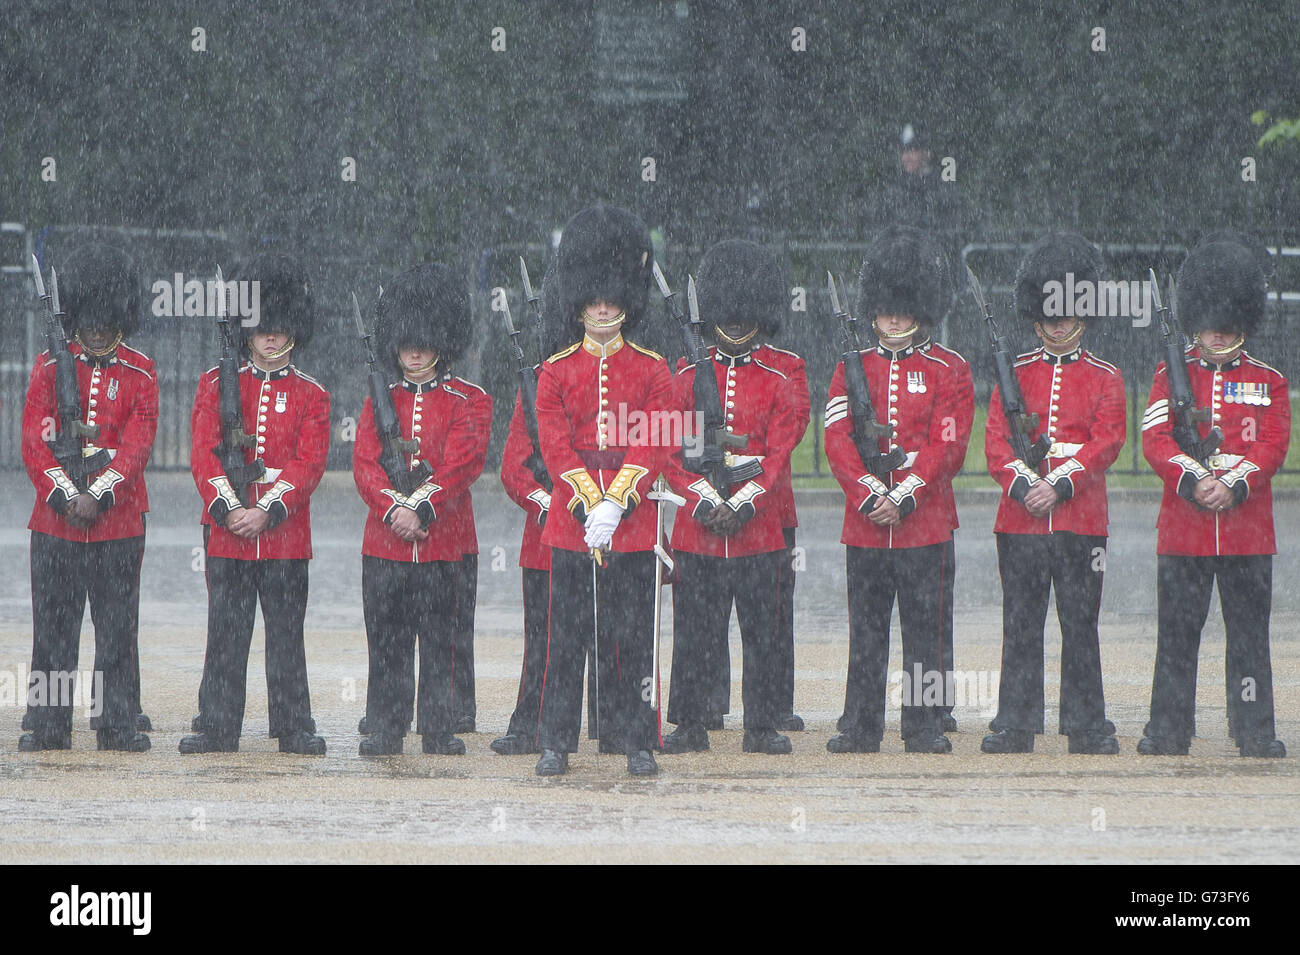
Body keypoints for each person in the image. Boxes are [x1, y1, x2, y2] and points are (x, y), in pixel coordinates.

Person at [533, 204, 673, 777]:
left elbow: (655, 444)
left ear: (626, 301)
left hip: (633, 524)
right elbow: (556, 447)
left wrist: (618, 501)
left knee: (632, 641)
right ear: (580, 302)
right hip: (571, 522)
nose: (602, 308)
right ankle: (555, 741)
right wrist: (591, 501)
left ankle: (637, 739)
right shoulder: (555, 371)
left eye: (611, 299)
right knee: (564, 641)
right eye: (593, 300)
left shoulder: (654, 370)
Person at [824, 226, 973, 754]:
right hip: (866, 521)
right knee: (865, 633)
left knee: (924, 632)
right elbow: (837, 439)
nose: (893, 317)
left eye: (903, 309)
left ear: (920, 311)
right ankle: (861, 725)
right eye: (887, 308)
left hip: (924, 523)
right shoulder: (851, 367)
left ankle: (924, 724)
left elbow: (947, 446)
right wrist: (869, 492)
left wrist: (906, 493)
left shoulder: (950, 370)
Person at [1138, 237, 1289, 758]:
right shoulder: (1169, 375)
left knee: (1249, 639)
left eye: (1225, 322)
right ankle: (1168, 729)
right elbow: (1154, 438)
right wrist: (1193, 479)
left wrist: (1234, 483)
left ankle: (1254, 730)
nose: (1218, 331)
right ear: (1195, 322)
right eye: (1209, 323)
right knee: (1177, 637)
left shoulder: (1268, 381)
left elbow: (1272, 445)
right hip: (1186, 527)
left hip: (1246, 530)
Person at [659, 239, 804, 756]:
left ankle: (761, 724)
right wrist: (703, 499)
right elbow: (672, 452)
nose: (738, 324)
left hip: (757, 525)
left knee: (761, 631)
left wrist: (742, 502)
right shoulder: (684, 375)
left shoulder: (785, 372)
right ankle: (691, 722)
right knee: (695, 631)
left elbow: (781, 448)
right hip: (699, 527)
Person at [180, 252, 330, 755]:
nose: (269, 336)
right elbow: (203, 453)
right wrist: (229, 509)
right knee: (225, 632)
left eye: (279, 328)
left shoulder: (313, 394)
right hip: (227, 531)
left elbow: (308, 464)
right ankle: (218, 724)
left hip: (284, 534)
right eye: (262, 328)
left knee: (286, 636)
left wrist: (267, 509)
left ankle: (293, 724)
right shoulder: (214, 383)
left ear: (293, 332)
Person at [981, 233, 1124, 755]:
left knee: (1079, 624)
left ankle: (1086, 725)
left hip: (1080, 519)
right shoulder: (1012, 373)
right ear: (1036, 317)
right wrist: (1025, 484)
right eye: (1050, 316)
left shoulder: (1106, 377)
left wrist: (1059, 483)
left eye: (1066, 315)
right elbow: (995, 441)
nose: (1058, 325)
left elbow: (1107, 441)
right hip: (1019, 520)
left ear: (1082, 315)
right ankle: (1016, 723)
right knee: (1020, 623)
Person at [19, 242, 156, 753]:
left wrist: (98, 494)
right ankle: (49, 723)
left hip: (117, 523)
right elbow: (34, 441)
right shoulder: (49, 367)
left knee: (117, 628)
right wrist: (65, 497)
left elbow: (137, 447)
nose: (96, 333)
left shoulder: (141, 374)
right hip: (56, 522)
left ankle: (116, 721)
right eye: (89, 324)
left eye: (105, 324)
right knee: (53, 628)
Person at [352, 264, 491, 756]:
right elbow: (365, 465)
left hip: (441, 543)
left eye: (424, 341)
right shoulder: (379, 398)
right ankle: (387, 727)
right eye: (407, 341)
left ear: (441, 342)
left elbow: (462, 464)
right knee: (386, 639)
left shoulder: (468, 400)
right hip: (386, 543)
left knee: (440, 642)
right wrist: (396, 511)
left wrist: (421, 509)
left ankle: (438, 726)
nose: (413, 351)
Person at [492, 267, 565, 757]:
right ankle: (531, 722)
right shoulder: (534, 386)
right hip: (544, 539)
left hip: (601, 531)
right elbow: (514, 468)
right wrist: (549, 501)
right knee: (540, 640)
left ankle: (610, 724)